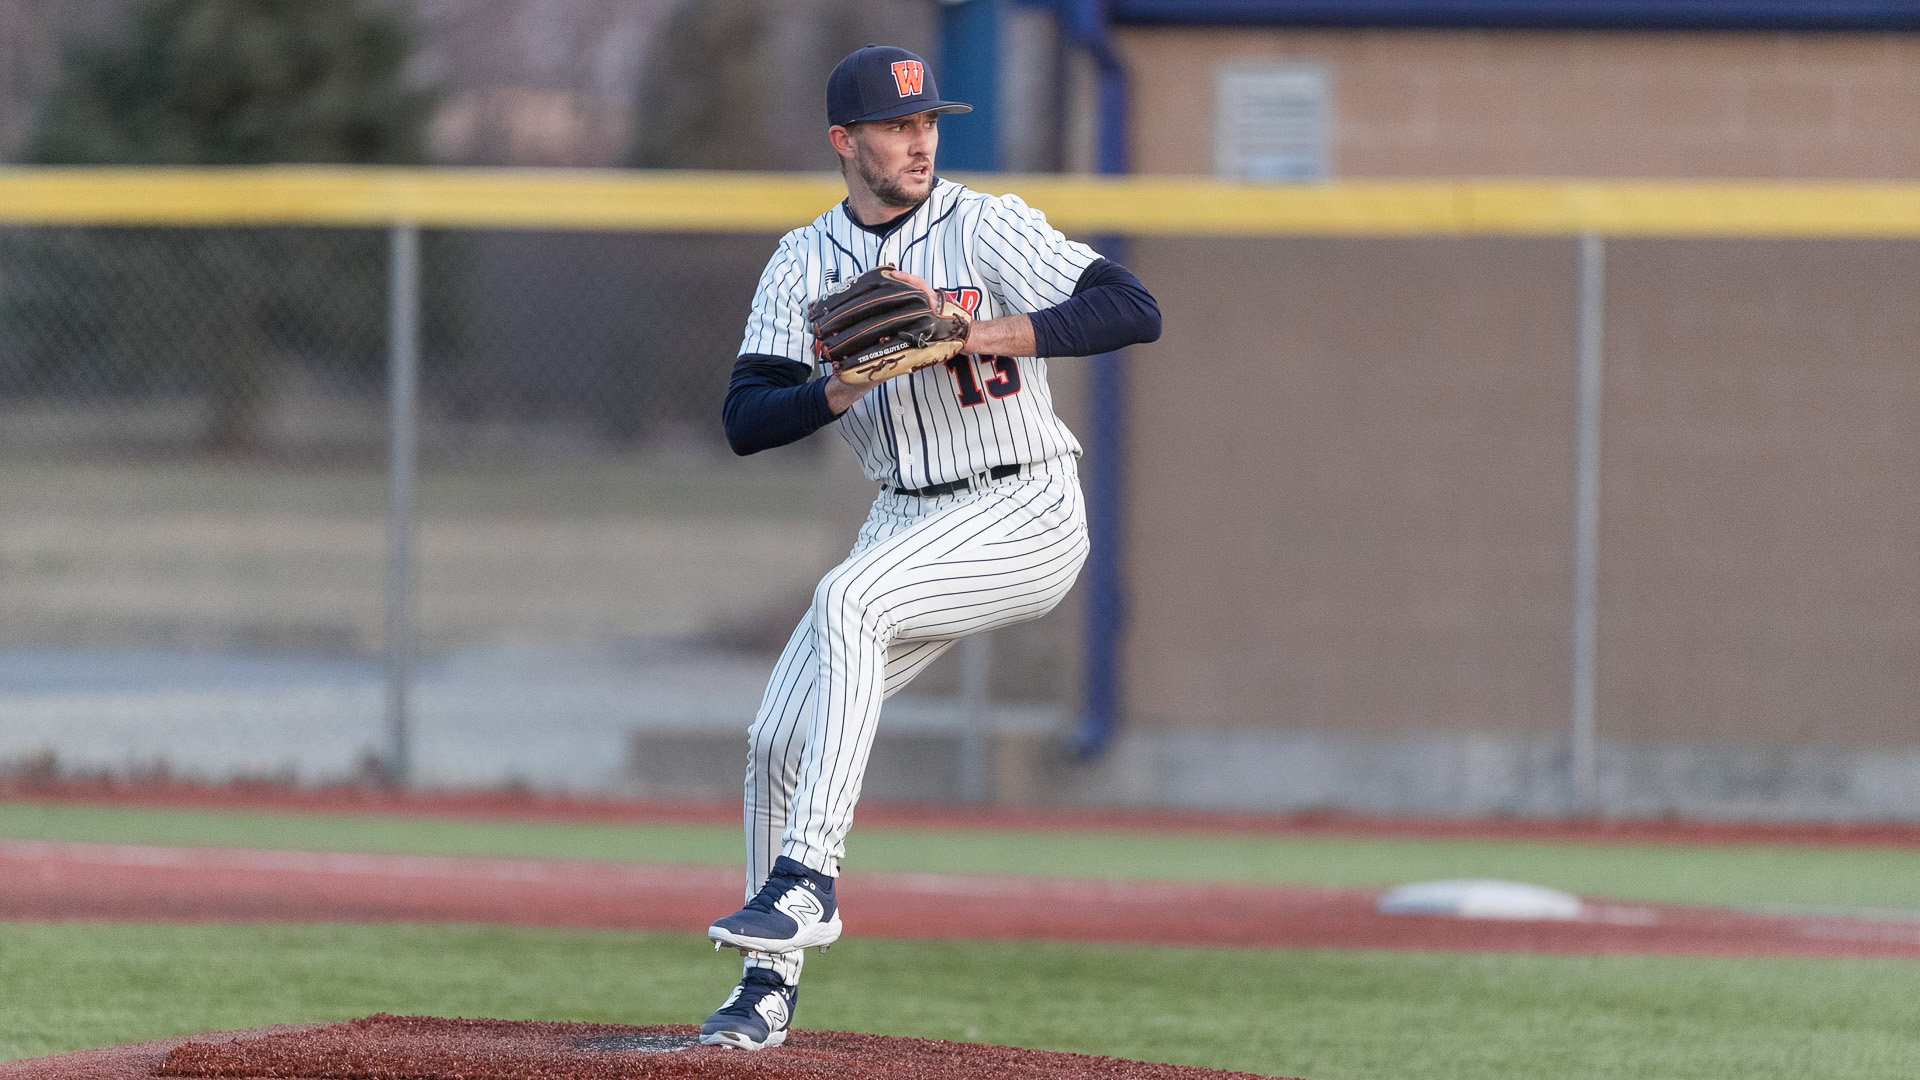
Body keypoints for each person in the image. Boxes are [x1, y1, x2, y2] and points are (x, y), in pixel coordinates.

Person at [697, 44, 1161, 1050]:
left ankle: (810, 873)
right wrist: (838, 389)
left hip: (1025, 505)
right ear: (845, 142)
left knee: (850, 601)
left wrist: (996, 334)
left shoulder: (983, 225)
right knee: (776, 740)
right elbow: (745, 417)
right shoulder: (804, 259)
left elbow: (1132, 306)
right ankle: (765, 991)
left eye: (927, 124)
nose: (918, 141)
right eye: (897, 127)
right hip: (905, 518)